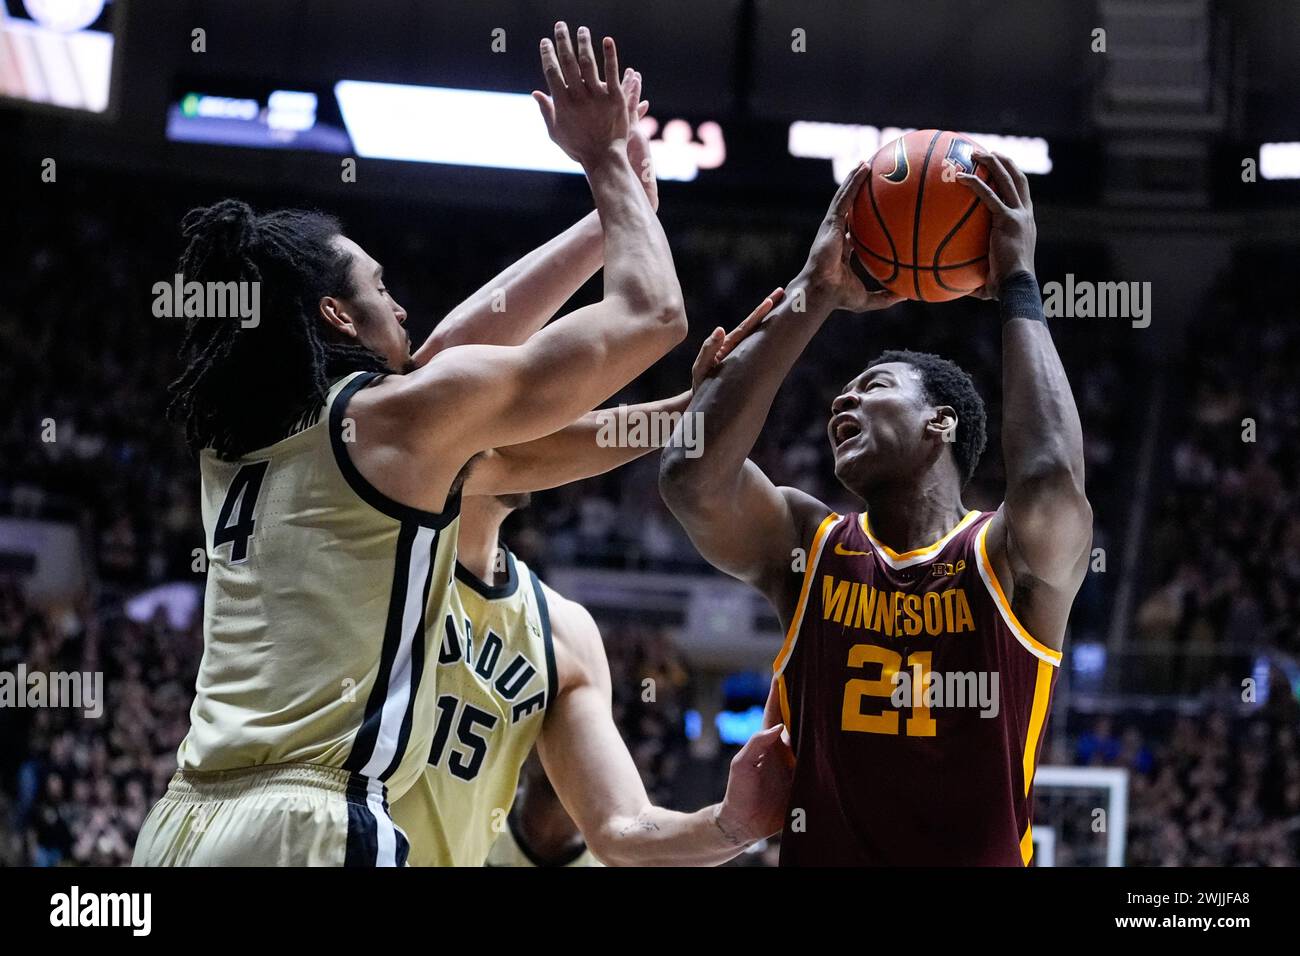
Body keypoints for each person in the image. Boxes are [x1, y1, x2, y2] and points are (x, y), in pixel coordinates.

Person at [134, 22, 689, 866]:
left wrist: (609, 220)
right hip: (309, 828)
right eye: (380, 287)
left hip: (183, 822)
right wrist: (606, 160)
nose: (402, 308)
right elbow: (651, 319)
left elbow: (447, 357)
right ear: (334, 314)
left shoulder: (245, 436)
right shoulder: (392, 423)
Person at [659, 151, 1093, 865]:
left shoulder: (1005, 557)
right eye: (844, 392)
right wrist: (814, 290)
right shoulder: (808, 545)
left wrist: (1018, 282)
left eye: (875, 386)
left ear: (941, 424)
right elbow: (690, 476)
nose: (843, 401)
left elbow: (1049, 480)